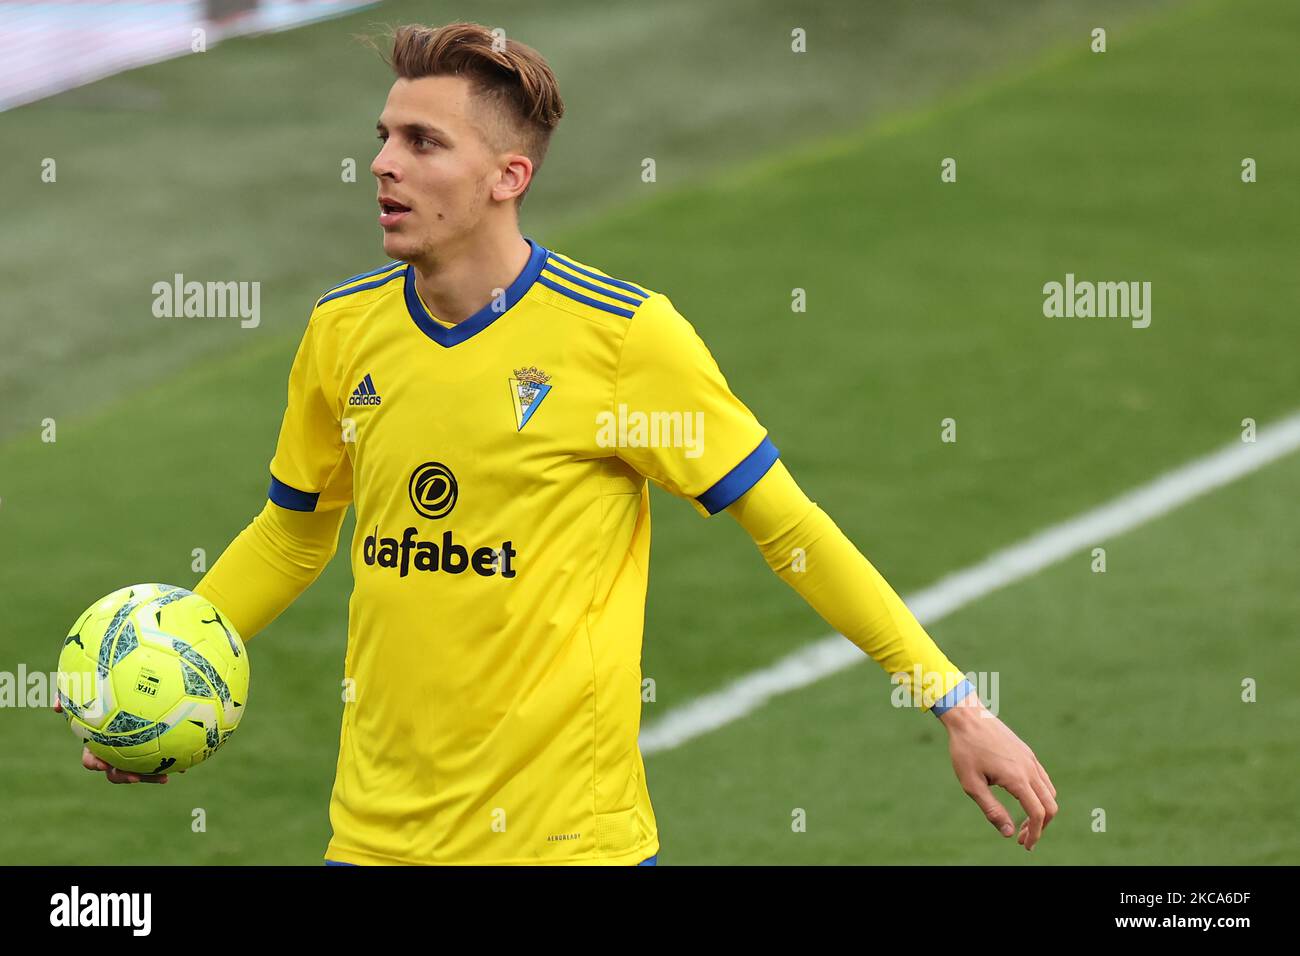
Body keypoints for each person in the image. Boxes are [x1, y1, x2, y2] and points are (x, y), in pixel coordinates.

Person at [71, 21, 1056, 864]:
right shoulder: (342, 331)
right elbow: (293, 533)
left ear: (510, 175)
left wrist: (957, 707)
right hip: (372, 836)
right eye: (382, 137)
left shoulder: (623, 339)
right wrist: (164, 665)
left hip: (565, 842)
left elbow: (787, 526)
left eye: (422, 141)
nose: (382, 162)